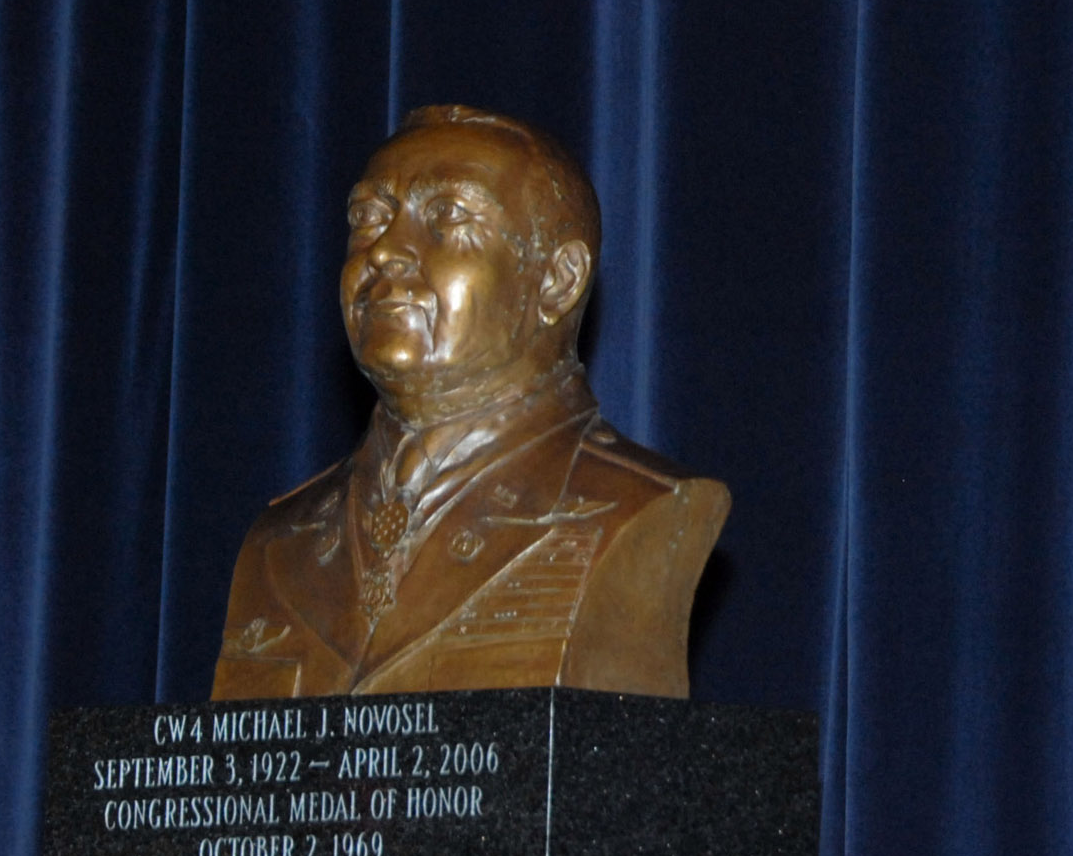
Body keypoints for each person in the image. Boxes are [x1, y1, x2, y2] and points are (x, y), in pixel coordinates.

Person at [212, 104, 729, 699]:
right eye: (368, 217)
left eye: (449, 216)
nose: (383, 251)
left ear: (557, 280)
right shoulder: (279, 540)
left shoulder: (637, 507)